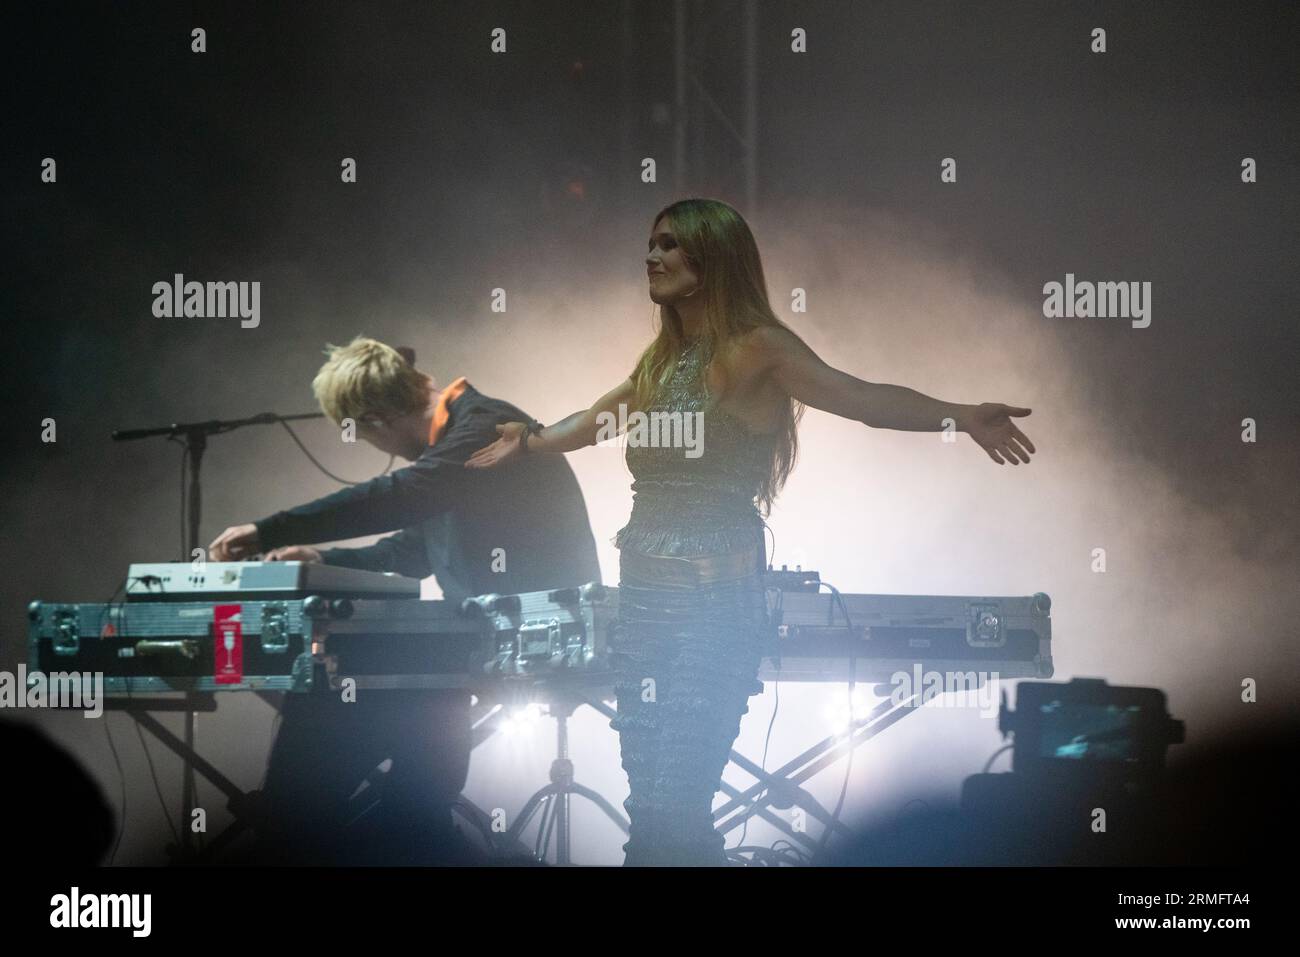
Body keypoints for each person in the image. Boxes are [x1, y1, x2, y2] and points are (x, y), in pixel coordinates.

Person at [467, 198, 1036, 866]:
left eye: (669, 245)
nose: (651, 257)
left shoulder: (759, 351)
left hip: (715, 613)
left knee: (676, 809)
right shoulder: (661, 361)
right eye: (649, 244)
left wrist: (962, 415)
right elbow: (595, 419)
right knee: (648, 815)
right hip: (645, 611)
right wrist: (528, 440)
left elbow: (862, 398)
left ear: (712, 259)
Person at [208, 337, 601, 864]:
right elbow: (414, 549)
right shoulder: (453, 446)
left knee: (337, 695)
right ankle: (402, 824)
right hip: (478, 638)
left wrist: (266, 529)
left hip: (536, 632)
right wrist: (323, 560)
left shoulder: (483, 427)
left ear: (372, 419)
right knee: (395, 769)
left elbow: (403, 495)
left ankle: (306, 827)